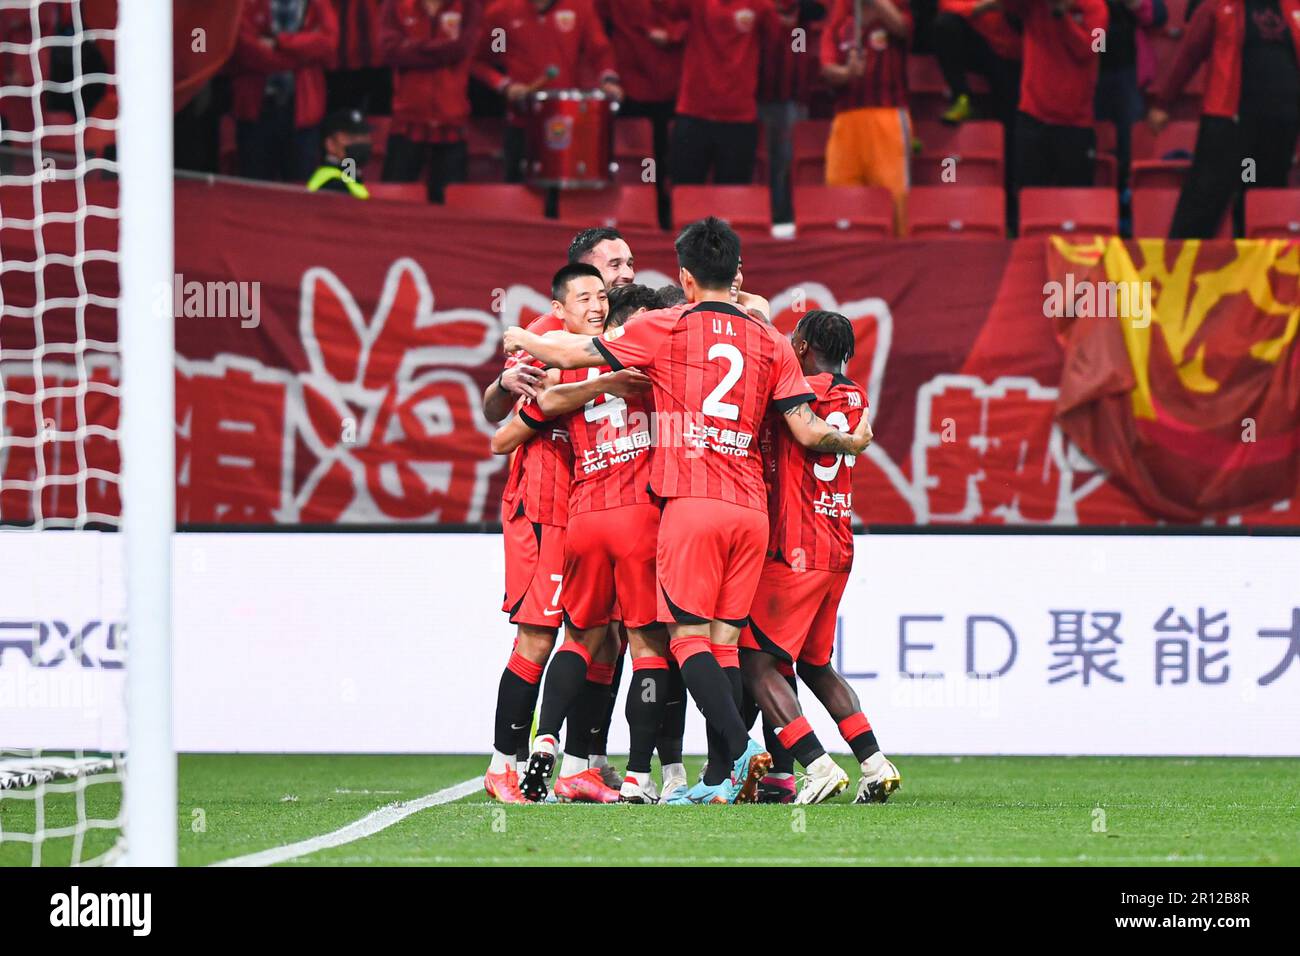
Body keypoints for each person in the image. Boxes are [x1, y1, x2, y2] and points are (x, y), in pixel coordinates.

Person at [502, 218, 874, 804]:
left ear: (684, 277)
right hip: (752, 511)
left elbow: (571, 352)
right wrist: (854, 441)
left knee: (681, 639)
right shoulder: (771, 338)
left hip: (692, 504)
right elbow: (806, 428)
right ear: (736, 270)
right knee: (724, 645)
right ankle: (720, 780)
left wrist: (522, 337)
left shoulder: (664, 325)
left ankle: (790, 756)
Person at [492, 284, 667, 804]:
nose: (604, 294)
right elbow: (499, 434)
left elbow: (536, 408)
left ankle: (574, 760)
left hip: (584, 515)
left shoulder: (570, 361)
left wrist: (589, 385)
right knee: (636, 646)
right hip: (573, 515)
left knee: (596, 639)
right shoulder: (569, 343)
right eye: (611, 265)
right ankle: (511, 762)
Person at [740, 310, 901, 805]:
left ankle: (816, 765)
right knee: (814, 663)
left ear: (804, 346)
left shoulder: (794, 389)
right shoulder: (857, 397)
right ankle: (875, 764)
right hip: (838, 544)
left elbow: (800, 429)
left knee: (755, 662)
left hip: (797, 546)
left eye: (794, 339)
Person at [1147, 0, 1300, 238]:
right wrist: (1164, 102)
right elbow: (1188, 54)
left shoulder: (1293, 7)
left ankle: (1256, 272)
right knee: (1204, 202)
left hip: (1277, 128)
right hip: (1228, 124)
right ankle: (1178, 269)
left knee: (1260, 205)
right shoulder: (1218, 5)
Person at [472, 0, 623, 183]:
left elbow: (599, 51)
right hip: (521, 120)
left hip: (567, 120)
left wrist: (608, 80)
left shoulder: (580, 6)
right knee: (518, 197)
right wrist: (504, 84)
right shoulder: (502, 11)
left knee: (566, 198)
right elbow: (479, 60)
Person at [378, 0, 484, 202]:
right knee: (392, 205)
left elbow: (462, 48)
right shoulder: (395, 5)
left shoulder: (469, 6)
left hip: (451, 121)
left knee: (452, 210)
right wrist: (441, 50)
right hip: (407, 121)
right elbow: (388, 51)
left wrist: (412, 48)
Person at [820, 0, 913, 230]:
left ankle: (896, 258)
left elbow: (903, 28)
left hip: (888, 116)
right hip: (846, 120)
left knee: (894, 198)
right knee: (839, 194)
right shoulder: (839, 20)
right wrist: (847, 73)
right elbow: (827, 67)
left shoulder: (896, 9)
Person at [666, 0, 781, 185]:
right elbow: (668, 11)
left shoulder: (760, 4)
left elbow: (776, 41)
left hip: (738, 117)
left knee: (733, 205)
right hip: (694, 112)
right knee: (685, 200)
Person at [1003, 0, 1108, 191]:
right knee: (1029, 202)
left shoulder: (1097, 7)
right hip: (1032, 117)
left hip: (1076, 123)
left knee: (1078, 205)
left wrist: (1061, 16)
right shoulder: (1033, 6)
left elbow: (1091, 50)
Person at [232, 0, 340, 183]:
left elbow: (328, 43)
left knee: (300, 192)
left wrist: (279, 42)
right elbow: (243, 47)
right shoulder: (244, 4)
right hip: (257, 112)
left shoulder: (318, 4)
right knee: (253, 191)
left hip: (302, 114)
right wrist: (301, 57)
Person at [931, 0, 1023, 128]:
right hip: (978, 44)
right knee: (945, 24)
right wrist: (982, 7)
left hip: (1011, 51)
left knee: (1009, 111)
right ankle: (962, 98)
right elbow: (948, 5)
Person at [307, 108, 374, 196]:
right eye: (351, 138)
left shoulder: (349, 178)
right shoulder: (332, 183)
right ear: (330, 144)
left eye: (364, 137)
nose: (360, 143)